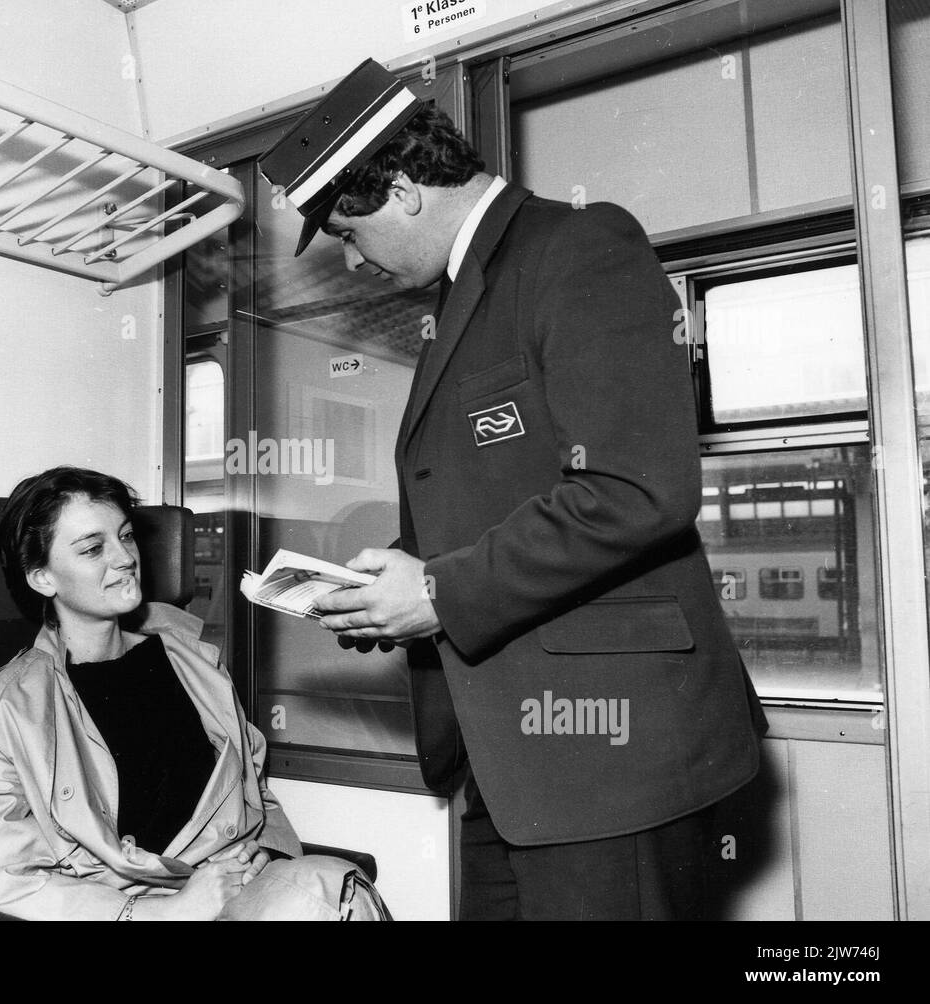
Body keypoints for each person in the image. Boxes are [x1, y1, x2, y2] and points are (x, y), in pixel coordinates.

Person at [261, 59, 767, 920]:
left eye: (348, 231)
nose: (352, 260)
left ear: (406, 191)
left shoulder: (577, 249)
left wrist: (437, 590)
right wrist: (397, 586)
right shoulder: (466, 300)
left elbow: (636, 488)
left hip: (610, 759)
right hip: (510, 756)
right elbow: (503, 499)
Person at [0, 465, 387, 920]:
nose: (124, 557)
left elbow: (255, 794)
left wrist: (266, 857)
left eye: (125, 536)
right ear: (42, 577)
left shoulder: (194, 663)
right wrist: (166, 911)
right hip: (120, 912)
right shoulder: (2, 713)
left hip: (236, 893)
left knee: (329, 882)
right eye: (92, 548)